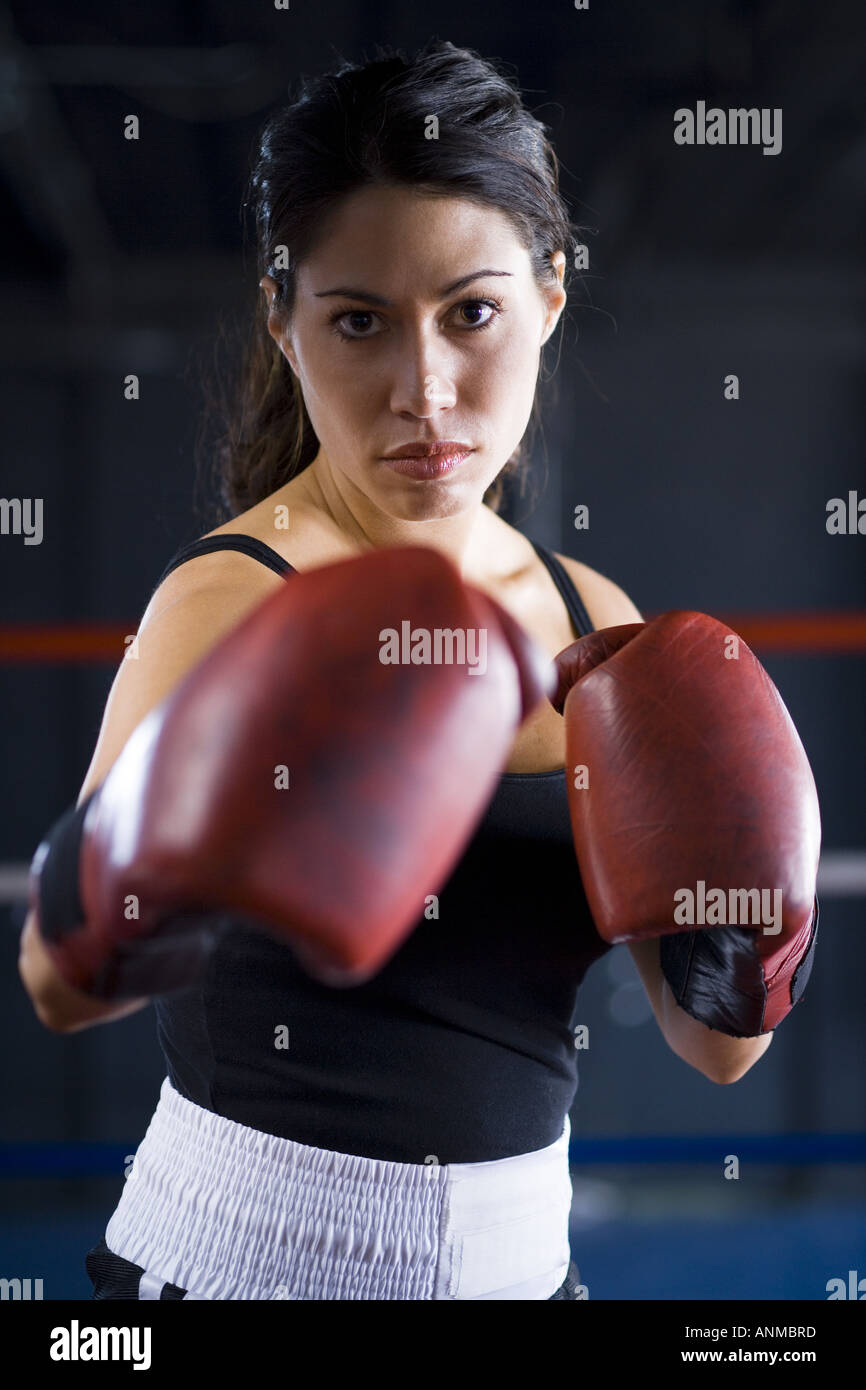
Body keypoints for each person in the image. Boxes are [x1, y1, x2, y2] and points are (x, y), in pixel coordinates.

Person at [18, 40, 814, 1301]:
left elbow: (714, 1050)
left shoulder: (589, 619)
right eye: (358, 321)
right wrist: (168, 840)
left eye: (471, 311)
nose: (423, 389)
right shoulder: (233, 599)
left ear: (550, 297)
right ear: (283, 322)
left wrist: (747, 929)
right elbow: (59, 982)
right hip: (237, 1276)